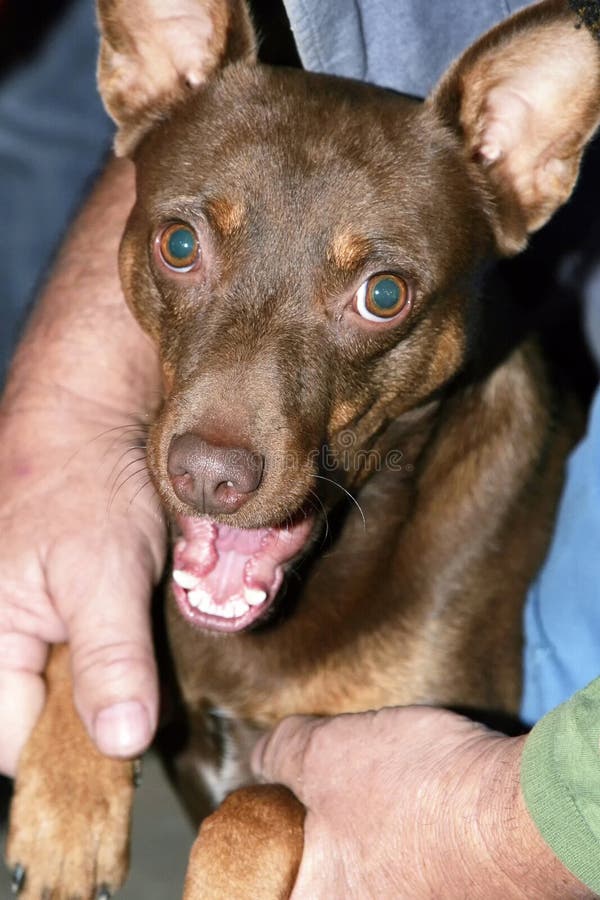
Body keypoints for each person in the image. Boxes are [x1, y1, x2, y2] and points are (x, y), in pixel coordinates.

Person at [1, 0, 599, 895]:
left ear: (520, 171)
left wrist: (257, 834)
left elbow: (414, 834)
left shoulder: (486, 537)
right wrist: (68, 690)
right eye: (183, 246)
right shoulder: (166, 465)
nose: (217, 451)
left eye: (380, 296)